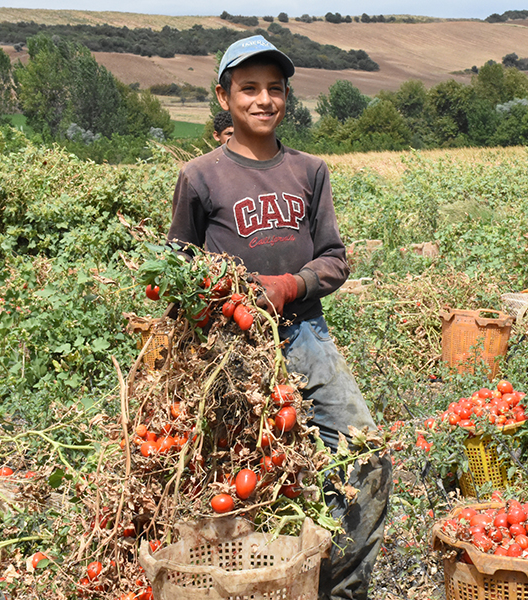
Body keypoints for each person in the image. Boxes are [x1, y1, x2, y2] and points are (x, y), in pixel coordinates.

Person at [167, 34, 390, 600]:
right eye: (248, 88)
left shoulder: (309, 171)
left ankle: (334, 584)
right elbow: (176, 273)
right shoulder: (200, 177)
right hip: (230, 350)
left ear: (286, 97)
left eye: (275, 88)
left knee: (365, 455)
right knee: (243, 472)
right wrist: (216, 307)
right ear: (223, 96)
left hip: (304, 334)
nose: (263, 99)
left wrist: (290, 284)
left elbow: (334, 259)